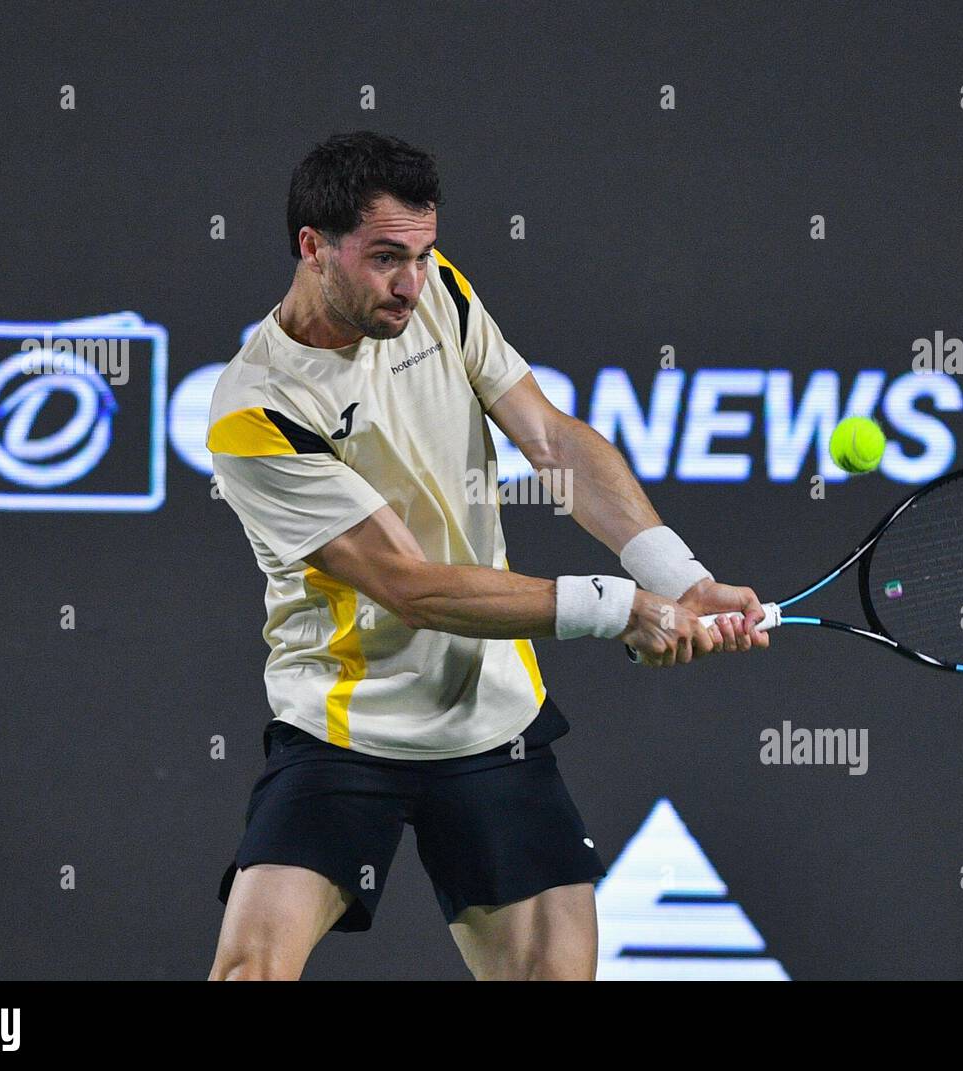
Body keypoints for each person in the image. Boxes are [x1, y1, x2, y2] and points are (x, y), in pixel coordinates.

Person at [206, 130, 769, 981]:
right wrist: (619, 609)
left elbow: (552, 439)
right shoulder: (256, 413)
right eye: (386, 257)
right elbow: (411, 588)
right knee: (251, 973)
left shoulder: (442, 296)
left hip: (490, 720)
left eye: (424, 253)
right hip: (345, 722)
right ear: (312, 248)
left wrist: (676, 577)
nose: (411, 282)